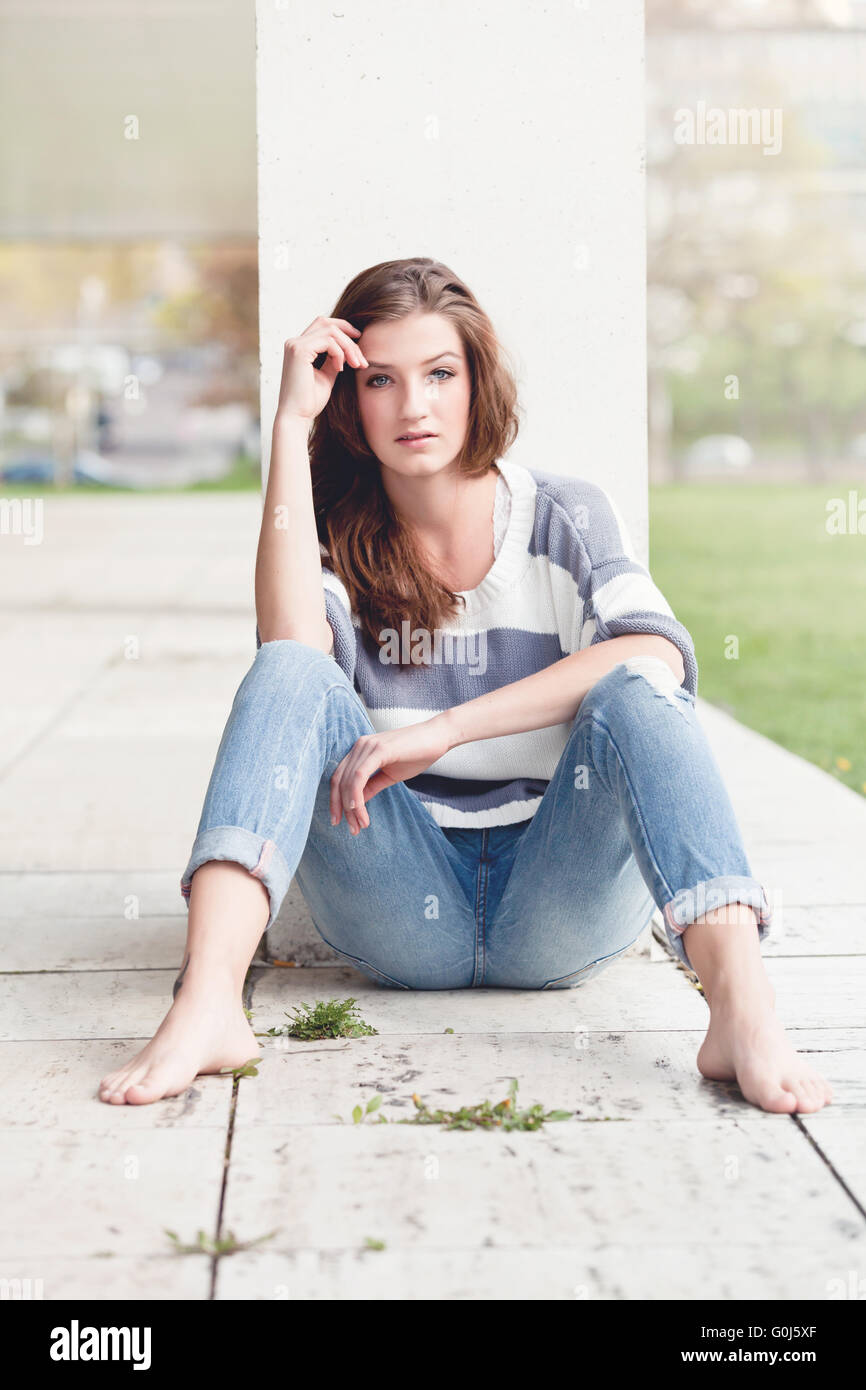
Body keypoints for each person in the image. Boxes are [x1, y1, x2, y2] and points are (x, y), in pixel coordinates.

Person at [98, 257, 832, 1113]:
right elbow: (292, 648)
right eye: (381, 381)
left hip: (556, 898)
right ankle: (208, 1002)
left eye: (440, 374)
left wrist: (444, 730)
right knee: (288, 669)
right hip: (399, 903)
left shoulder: (566, 514)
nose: (415, 406)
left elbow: (657, 657)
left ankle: (743, 1012)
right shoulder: (333, 535)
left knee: (635, 685)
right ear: (350, 400)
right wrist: (289, 427)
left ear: (477, 381)